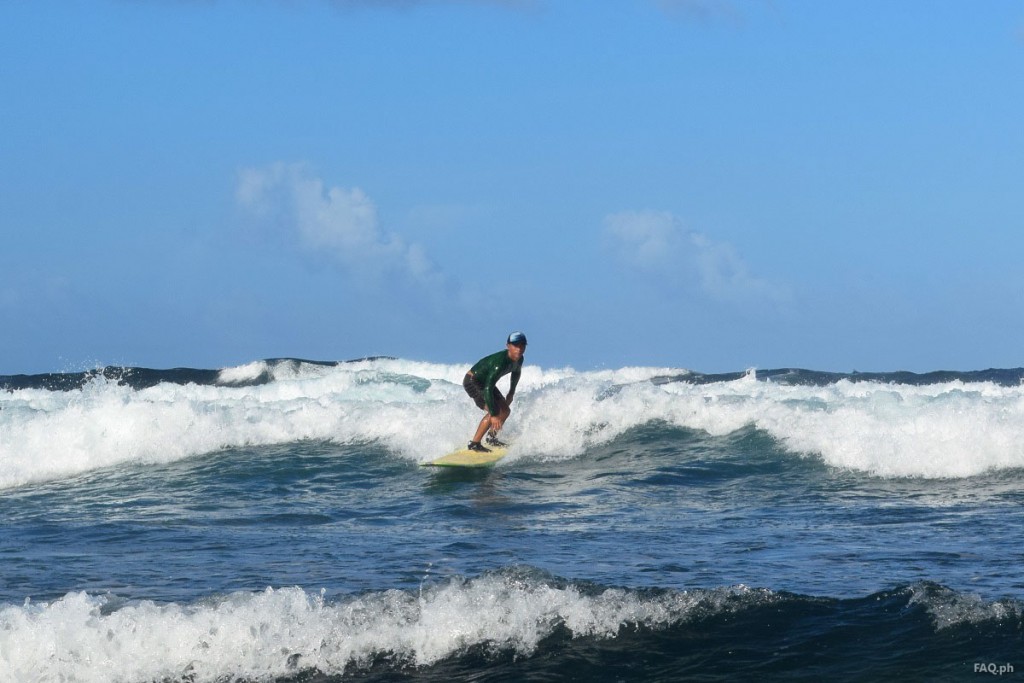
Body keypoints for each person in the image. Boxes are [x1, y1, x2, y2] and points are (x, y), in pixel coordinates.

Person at [463, 332, 527, 452]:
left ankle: (491, 438)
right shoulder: (499, 363)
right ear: (508, 346)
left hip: (486, 383)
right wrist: (493, 414)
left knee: (506, 410)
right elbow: (487, 388)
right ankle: (474, 444)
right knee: (495, 412)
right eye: (515, 345)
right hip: (473, 381)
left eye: (522, 345)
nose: (519, 349)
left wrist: (511, 393)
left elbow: (516, 373)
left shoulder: (519, 359)